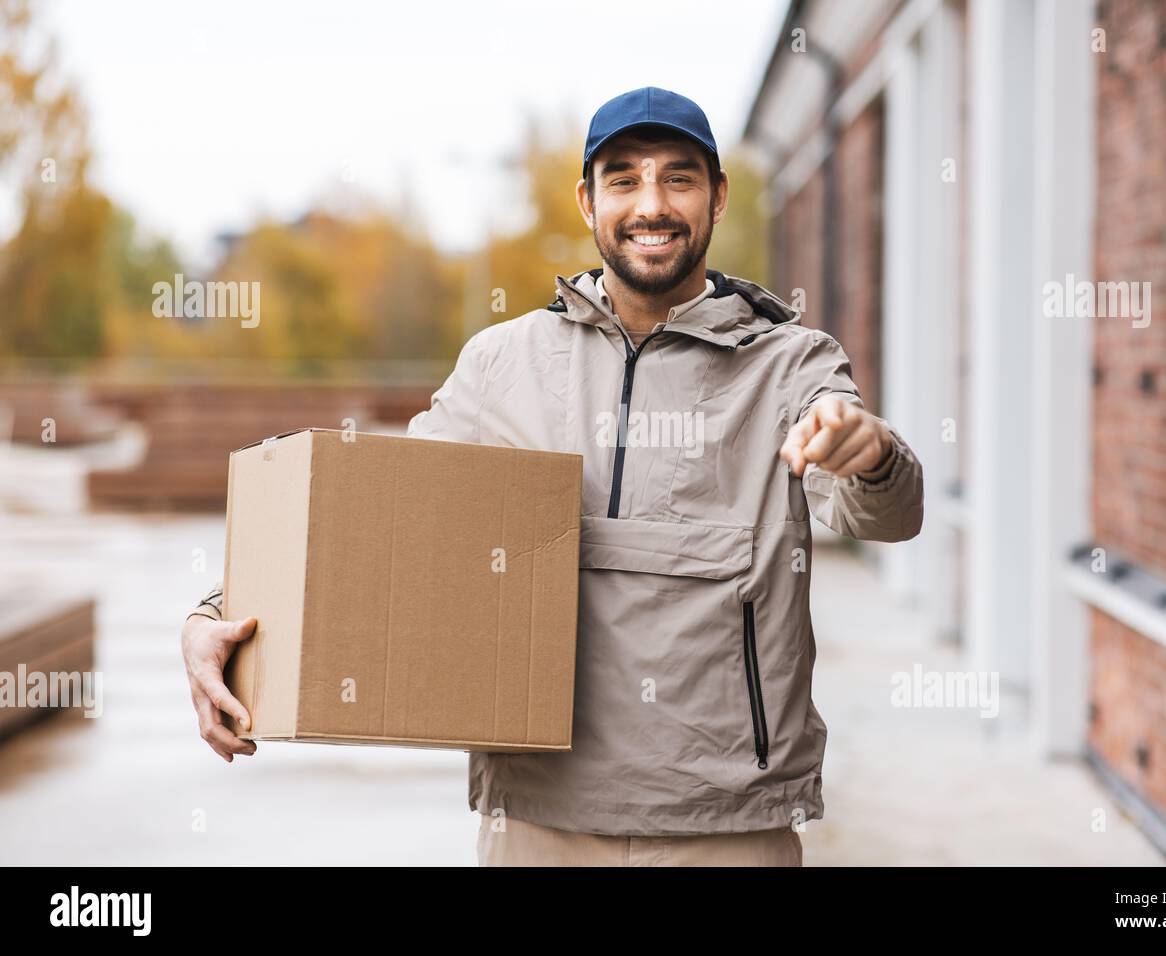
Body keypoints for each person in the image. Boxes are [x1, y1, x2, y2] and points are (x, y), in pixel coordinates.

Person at [180, 87, 924, 866]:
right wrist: (213, 615)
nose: (652, 205)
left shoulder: (792, 363)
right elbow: (375, 513)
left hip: (730, 822)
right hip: (540, 819)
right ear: (587, 199)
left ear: (718, 196)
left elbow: (886, 516)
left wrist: (868, 454)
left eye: (679, 178)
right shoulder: (503, 364)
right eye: (625, 180)